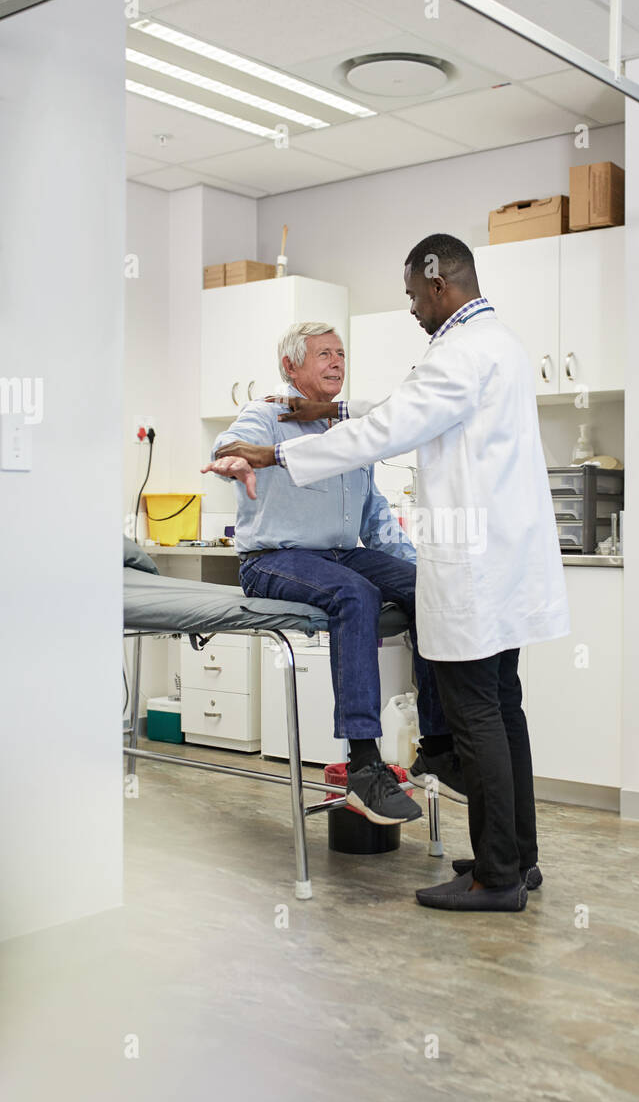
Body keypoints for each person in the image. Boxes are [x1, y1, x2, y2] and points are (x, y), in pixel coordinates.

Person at [207, 235, 568, 913]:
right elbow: (396, 411)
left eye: (410, 295)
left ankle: (496, 875)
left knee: (481, 715)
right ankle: (517, 857)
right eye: (325, 354)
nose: (410, 309)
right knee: (504, 707)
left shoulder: (459, 353)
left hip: (475, 564)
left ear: (437, 284)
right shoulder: (499, 346)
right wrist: (302, 426)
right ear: (293, 368)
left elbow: (394, 423)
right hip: (503, 560)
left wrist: (285, 455)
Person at [203, 320, 467, 827]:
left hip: (342, 553)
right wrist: (232, 460)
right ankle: (364, 765)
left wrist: (420, 570)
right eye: (323, 354)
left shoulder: (350, 432)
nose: (336, 363)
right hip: (273, 559)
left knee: (424, 589)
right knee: (355, 596)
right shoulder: (267, 414)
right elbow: (228, 445)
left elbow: (375, 519)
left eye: (340, 354)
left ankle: (436, 746)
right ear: (290, 367)